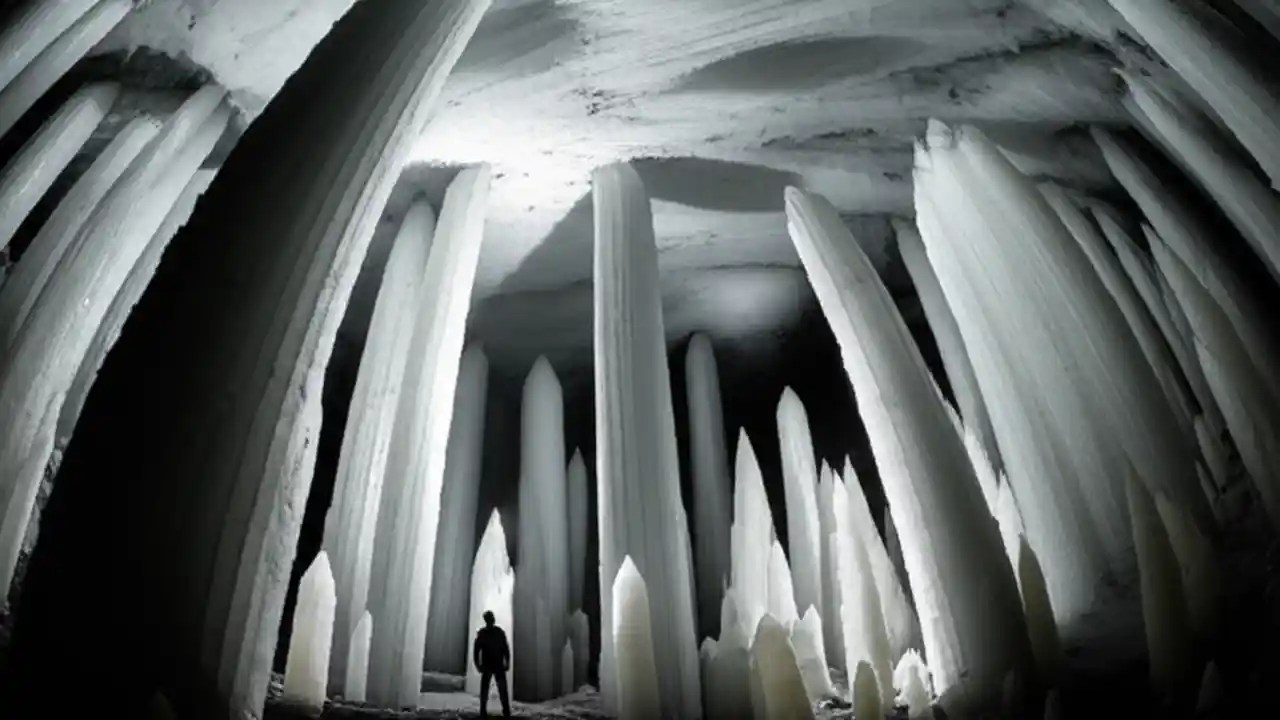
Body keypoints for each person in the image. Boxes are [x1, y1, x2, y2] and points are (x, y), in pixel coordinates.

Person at [473, 610, 512, 718]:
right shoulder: (497, 632)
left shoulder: (485, 633)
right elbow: (505, 649)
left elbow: (476, 650)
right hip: (495, 664)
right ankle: (505, 711)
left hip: (490, 665)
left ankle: (484, 710)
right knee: (499, 689)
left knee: (488, 689)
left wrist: (477, 664)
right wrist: (507, 661)